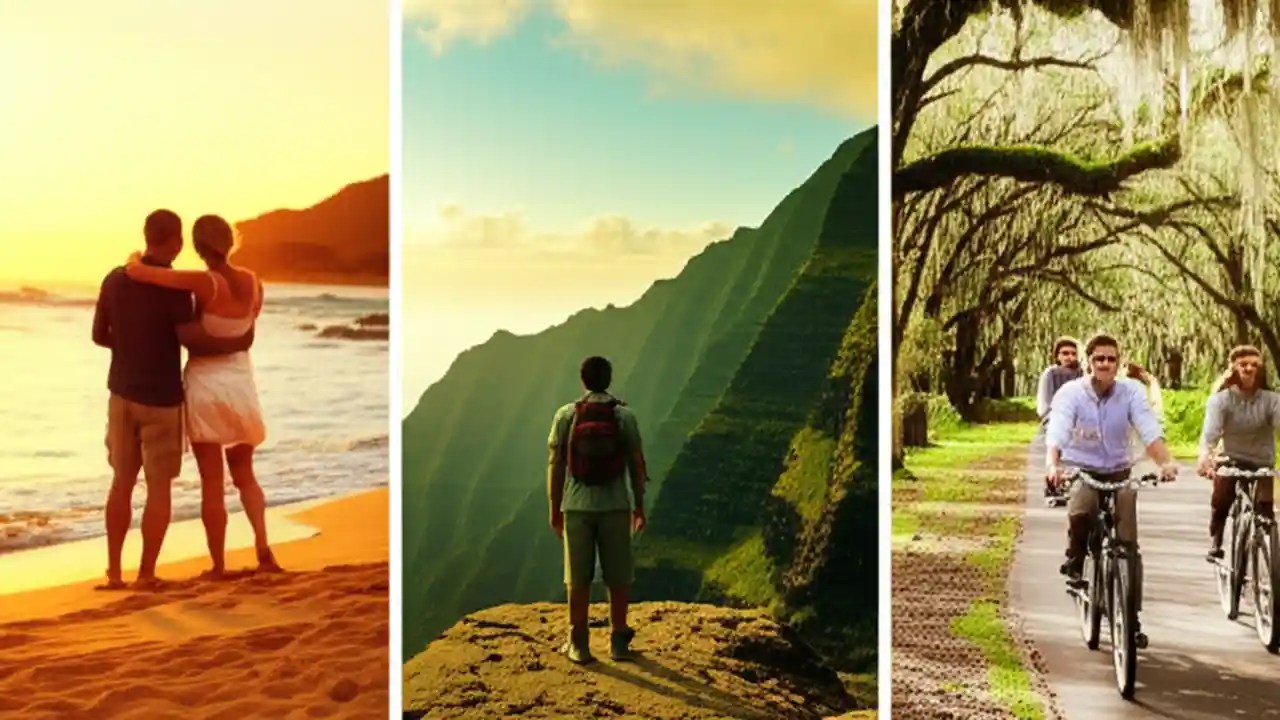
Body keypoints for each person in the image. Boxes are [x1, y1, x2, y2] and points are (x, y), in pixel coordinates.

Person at [92, 209, 255, 589]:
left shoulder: (114, 279)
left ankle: (114, 574)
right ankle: (146, 573)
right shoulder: (176, 289)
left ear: (146, 235)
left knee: (121, 483)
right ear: (178, 243)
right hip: (162, 400)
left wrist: (129, 348)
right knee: (158, 488)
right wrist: (237, 343)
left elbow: (99, 335)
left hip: (121, 394)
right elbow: (190, 339)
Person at [123, 214, 281, 577]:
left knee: (212, 481)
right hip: (241, 384)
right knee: (245, 474)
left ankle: (219, 565)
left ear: (196, 247)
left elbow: (141, 273)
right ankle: (263, 550)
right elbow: (246, 333)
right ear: (230, 242)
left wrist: (133, 258)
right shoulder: (254, 282)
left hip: (206, 386)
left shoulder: (202, 281)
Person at [1045, 334, 1178, 645]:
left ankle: (1132, 616)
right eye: (1099, 358)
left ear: (1118, 363)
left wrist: (1165, 463)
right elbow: (1058, 430)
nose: (1105, 364)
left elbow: (1149, 431)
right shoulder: (1071, 394)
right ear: (1088, 362)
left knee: (1128, 543)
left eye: (1111, 359)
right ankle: (1076, 564)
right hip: (1083, 468)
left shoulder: (1131, 392)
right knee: (1081, 511)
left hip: (1120, 470)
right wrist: (1053, 464)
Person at [546, 356, 648, 664]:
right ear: (609, 379)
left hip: (576, 507)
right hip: (616, 506)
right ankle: (618, 640)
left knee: (577, 577)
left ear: (583, 381)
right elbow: (637, 465)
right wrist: (639, 506)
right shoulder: (624, 416)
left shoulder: (566, 415)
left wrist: (554, 509)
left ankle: (579, 643)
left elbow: (556, 466)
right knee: (618, 574)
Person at [1196, 345, 1280, 561]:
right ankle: (1216, 541)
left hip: (1262, 462)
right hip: (1230, 460)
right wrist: (1205, 457)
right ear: (1233, 369)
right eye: (1243, 365)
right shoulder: (1221, 400)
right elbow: (1210, 434)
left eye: (1254, 365)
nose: (1249, 369)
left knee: (1265, 512)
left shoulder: (1272, 400)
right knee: (1221, 499)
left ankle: (1267, 554)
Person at [1035, 336, 1083, 426]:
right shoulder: (1051, 373)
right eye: (1065, 353)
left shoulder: (1082, 374)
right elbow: (1045, 402)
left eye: (1073, 354)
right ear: (1057, 356)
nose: (1070, 357)